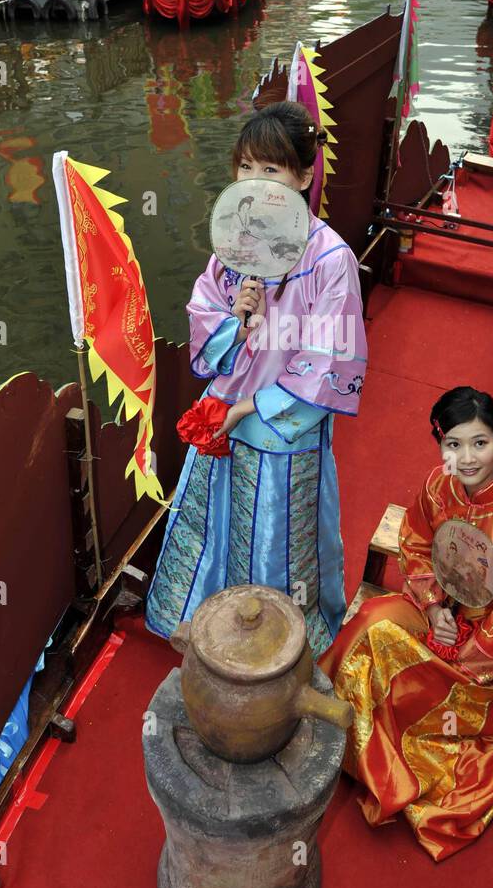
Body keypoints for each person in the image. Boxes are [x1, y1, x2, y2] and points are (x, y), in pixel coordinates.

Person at [146, 102, 367, 652]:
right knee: (209, 524)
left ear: (303, 175)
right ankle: (202, 624)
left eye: (271, 170)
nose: (256, 181)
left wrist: (254, 406)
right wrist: (236, 325)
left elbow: (330, 357)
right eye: (246, 167)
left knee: (274, 538)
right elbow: (203, 318)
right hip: (226, 408)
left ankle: (274, 643)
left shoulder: (329, 258)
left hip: (277, 425)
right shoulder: (234, 245)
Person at [320, 387, 493, 862]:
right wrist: (431, 609)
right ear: (441, 445)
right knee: (369, 619)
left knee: (411, 671)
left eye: (480, 443)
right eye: (454, 445)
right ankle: (331, 726)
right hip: (436, 611)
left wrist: (465, 645)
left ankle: (380, 761)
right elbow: (416, 542)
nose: (467, 458)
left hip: (489, 650)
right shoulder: (436, 486)